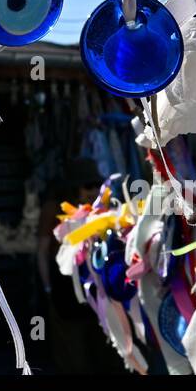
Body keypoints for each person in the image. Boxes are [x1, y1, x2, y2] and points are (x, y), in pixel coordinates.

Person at [35, 159, 125, 374]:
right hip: (65, 293)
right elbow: (41, 251)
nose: (93, 191)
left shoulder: (103, 210)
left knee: (106, 356)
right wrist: (47, 289)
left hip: (100, 295)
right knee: (74, 359)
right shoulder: (54, 210)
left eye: (96, 185)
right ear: (74, 188)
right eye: (87, 186)